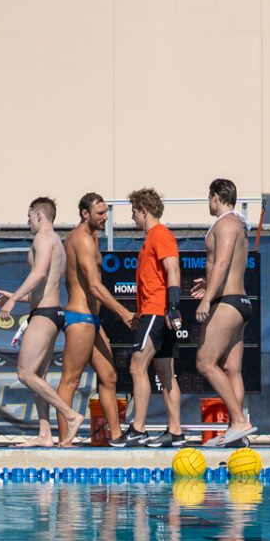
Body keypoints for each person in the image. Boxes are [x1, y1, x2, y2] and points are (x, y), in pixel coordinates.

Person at [0, 197, 85, 446]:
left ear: (39, 216)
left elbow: (39, 273)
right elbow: (45, 287)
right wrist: (16, 297)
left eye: (29, 216)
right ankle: (45, 434)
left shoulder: (43, 239)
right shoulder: (57, 242)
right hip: (49, 311)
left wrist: (13, 300)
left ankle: (71, 415)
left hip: (44, 316)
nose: (28, 222)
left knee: (25, 373)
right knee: (38, 378)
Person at [55, 193, 132, 444]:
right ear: (84, 214)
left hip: (93, 320)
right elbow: (95, 287)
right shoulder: (82, 240)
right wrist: (123, 312)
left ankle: (117, 435)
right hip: (80, 319)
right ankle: (64, 440)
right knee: (70, 380)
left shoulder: (91, 237)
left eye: (106, 212)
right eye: (100, 213)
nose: (105, 217)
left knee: (109, 377)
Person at [116, 187, 183, 448]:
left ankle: (138, 429)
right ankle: (175, 433)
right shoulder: (151, 238)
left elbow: (173, 268)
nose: (132, 217)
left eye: (134, 211)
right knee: (166, 374)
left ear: (144, 210)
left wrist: (173, 306)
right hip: (157, 312)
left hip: (157, 312)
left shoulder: (160, 234)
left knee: (137, 367)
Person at [193, 178, 255, 447]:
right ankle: (237, 431)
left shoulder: (226, 223)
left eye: (209, 198)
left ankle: (240, 421)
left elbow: (222, 262)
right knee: (232, 369)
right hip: (238, 300)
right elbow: (229, 266)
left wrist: (207, 299)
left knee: (204, 362)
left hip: (227, 303)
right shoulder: (238, 224)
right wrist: (208, 285)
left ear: (216, 196)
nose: (209, 203)